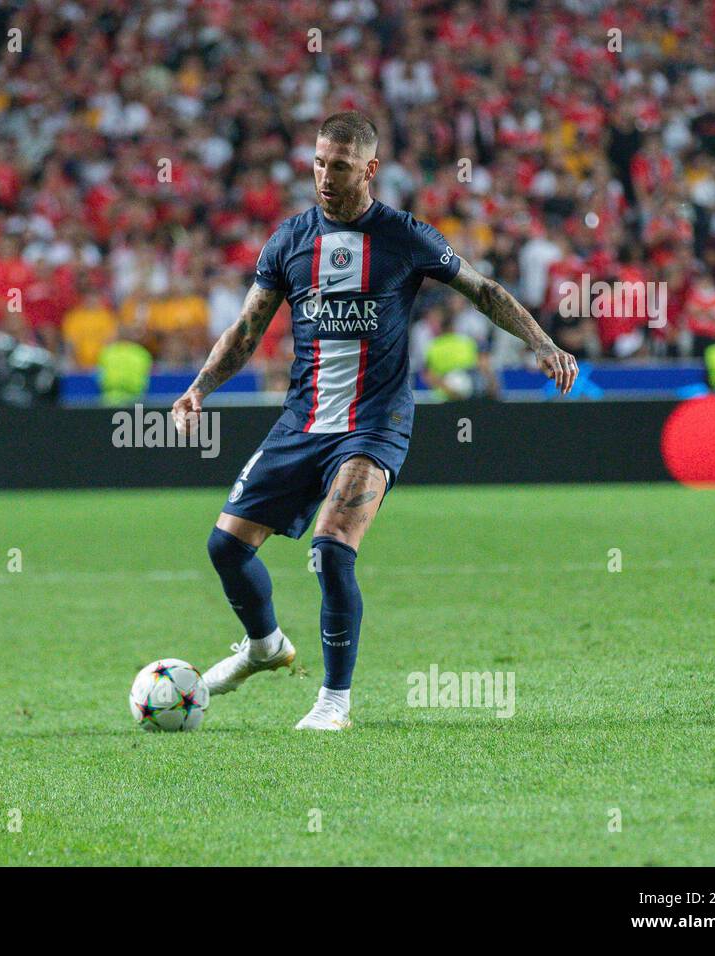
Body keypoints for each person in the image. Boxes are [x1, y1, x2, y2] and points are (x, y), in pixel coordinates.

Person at [171, 112, 577, 731]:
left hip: (375, 422)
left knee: (331, 550)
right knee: (224, 547)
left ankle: (335, 700)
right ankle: (264, 645)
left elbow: (484, 290)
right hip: (302, 421)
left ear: (369, 169)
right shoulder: (287, 242)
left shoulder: (404, 236)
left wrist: (542, 342)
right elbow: (248, 330)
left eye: (339, 165)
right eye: (317, 162)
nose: (324, 177)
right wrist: (198, 388)